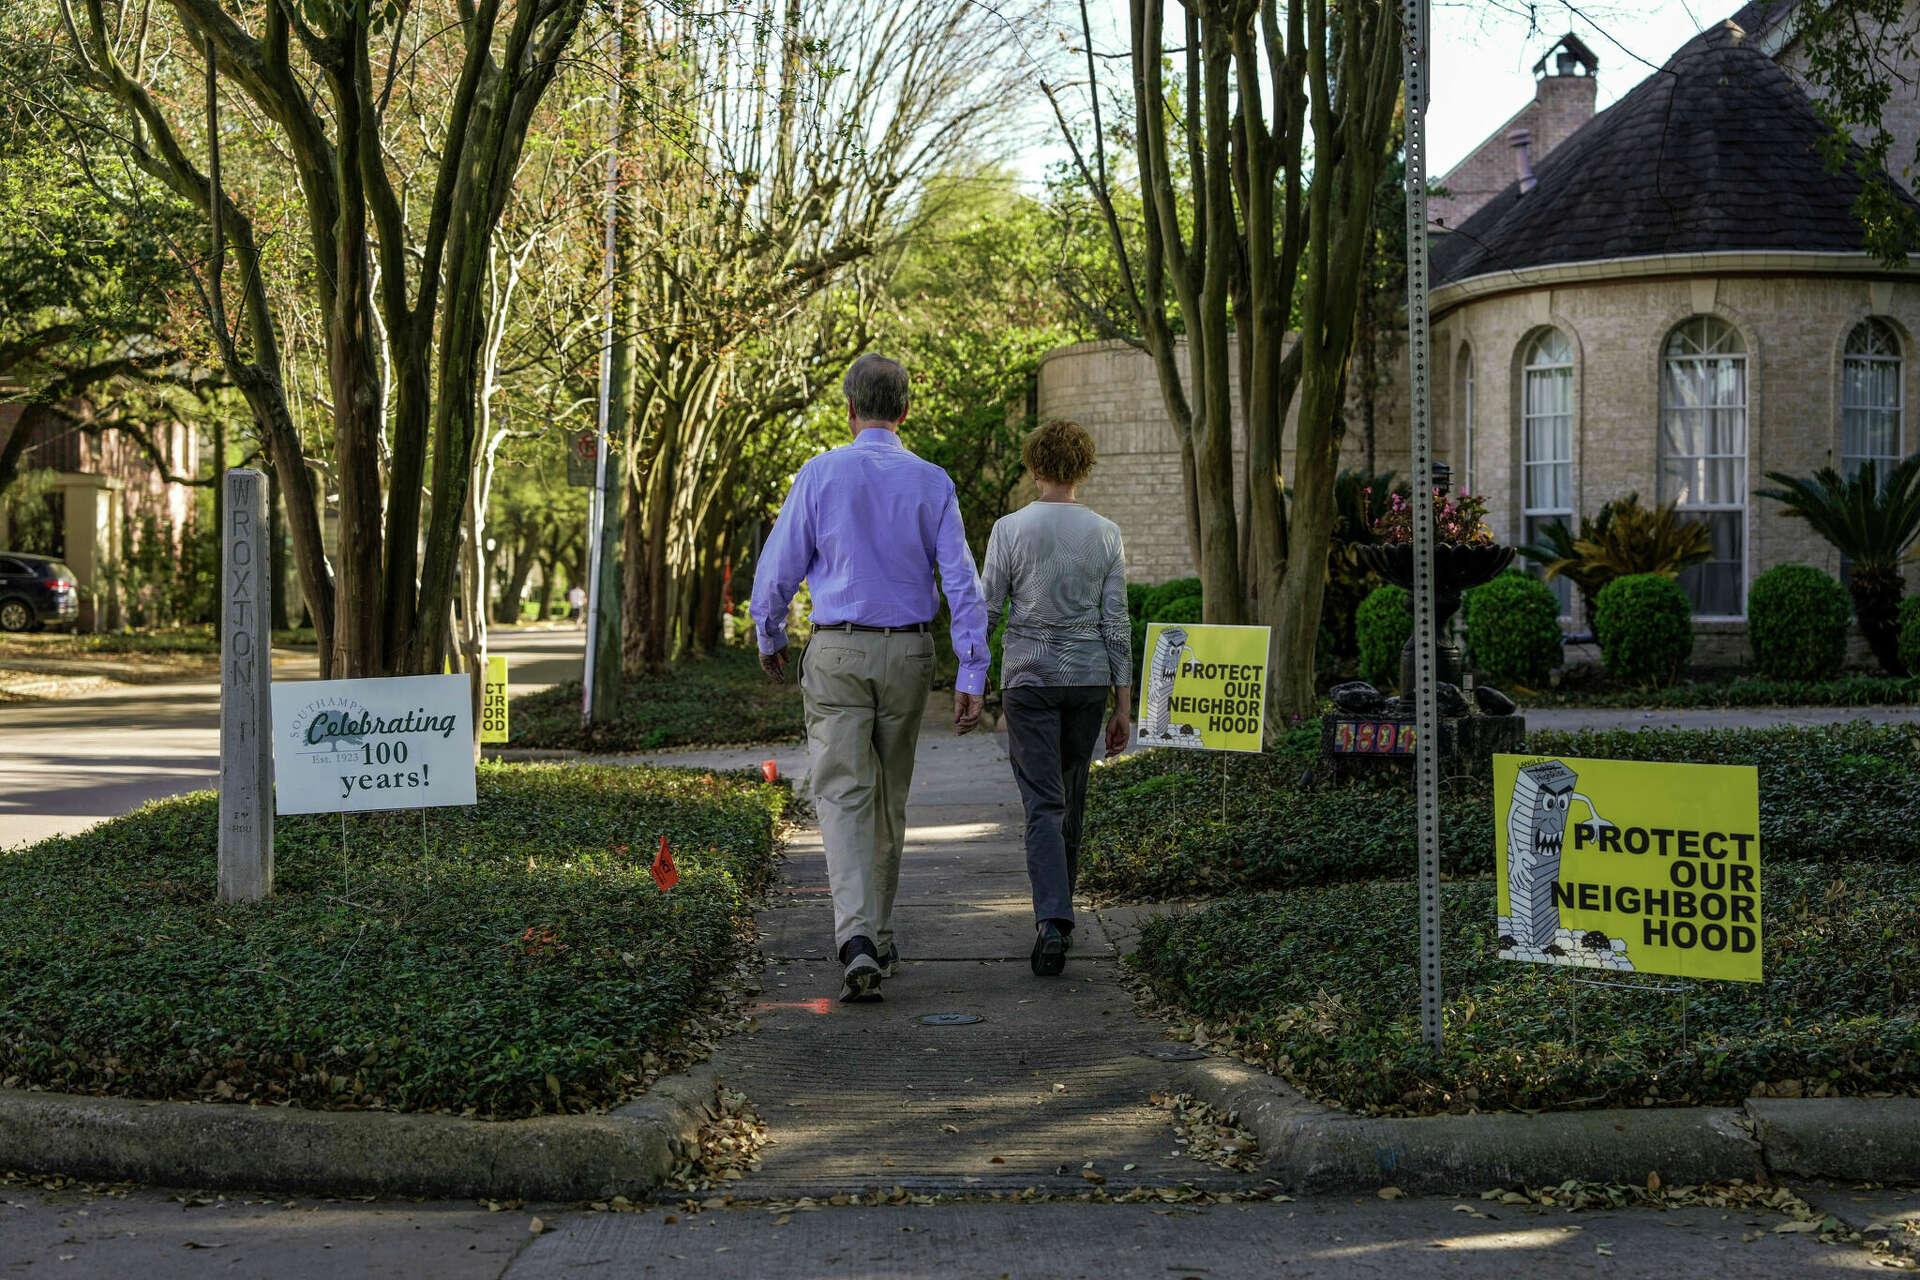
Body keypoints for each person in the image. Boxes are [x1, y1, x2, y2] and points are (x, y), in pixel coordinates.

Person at [751, 354, 989, 1003]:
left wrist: (769, 634)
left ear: (849, 411)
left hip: (836, 650)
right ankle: (877, 935)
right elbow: (962, 580)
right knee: (890, 797)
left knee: (843, 795)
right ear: (905, 410)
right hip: (908, 654)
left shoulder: (820, 473)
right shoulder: (933, 481)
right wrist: (972, 668)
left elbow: (779, 569)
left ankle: (857, 936)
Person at [979, 420, 1131, 977]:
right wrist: (1123, 703)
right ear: (1082, 467)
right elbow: (1116, 622)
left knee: (1043, 802)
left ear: (1036, 467)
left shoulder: (1009, 530)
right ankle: (1060, 919)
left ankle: (1052, 920)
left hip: (1030, 681)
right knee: (1072, 795)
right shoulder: (1107, 533)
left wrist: (970, 680)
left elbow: (989, 610)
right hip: (1087, 680)